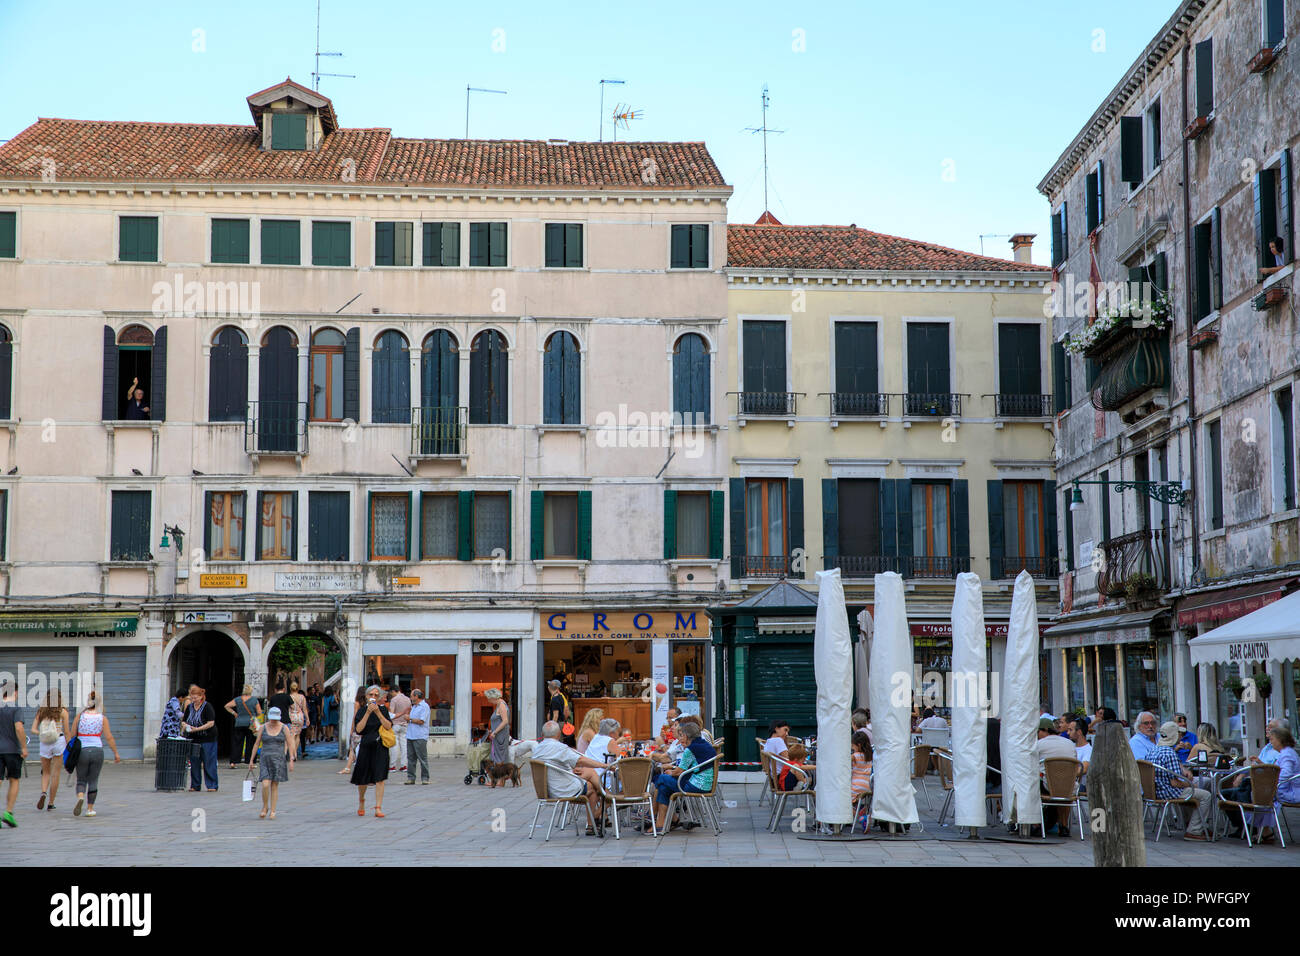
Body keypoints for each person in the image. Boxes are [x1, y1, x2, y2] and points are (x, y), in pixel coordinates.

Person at [531, 720, 611, 830]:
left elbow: (554, 765)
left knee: (591, 785)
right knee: (591, 778)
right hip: (563, 789)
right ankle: (608, 797)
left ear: (542, 735)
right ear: (559, 734)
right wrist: (603, 765)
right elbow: (581, 760)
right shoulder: (559, 747)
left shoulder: (537, 749)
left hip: (548, 790)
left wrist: (571, 770)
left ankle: (595, 818)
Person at [1149, 721, 1211, 841]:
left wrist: (1185, 773)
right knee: (1206, 795)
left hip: (1156, 791)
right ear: (1174, 736)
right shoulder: (1169, 753)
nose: (1181, 736)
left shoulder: (1154, 750)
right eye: (1179, 734)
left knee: (1195, 789)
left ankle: (1192, 823)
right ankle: (1194, 830)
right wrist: (1191, 783)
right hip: (1169, 791)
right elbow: (1175, 783)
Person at [652, 719, 716, 833]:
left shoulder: (690, 750)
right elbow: (689, 767)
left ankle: (652, 814)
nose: (680, 738)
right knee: (664, 787)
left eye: (681, 736)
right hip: (706, 784)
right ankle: (663, 822)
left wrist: (670, 771)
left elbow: (679, 771)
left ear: (686, 736)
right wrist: (672, 770)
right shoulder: (705, 745)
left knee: (659, 778)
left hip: (694, 785)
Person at [72, 690, 121, 817]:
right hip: (97, 750)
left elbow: (72, 735)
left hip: (82, 750)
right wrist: (115, 753)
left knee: (81, 779)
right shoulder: (102, 718)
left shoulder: (79, 716)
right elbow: (109, 737)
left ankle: (80, 796)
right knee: (93, 780)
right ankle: (90, 809)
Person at [351, 685, 393, 817]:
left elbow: (388, 726)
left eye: (376, 695)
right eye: (371, 695)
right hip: (366, 746)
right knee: (363, 778)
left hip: (380, 746)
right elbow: (359, 729)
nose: (373, 697)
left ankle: (378, 807)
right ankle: (362, 801)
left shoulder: (383, 710)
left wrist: (378, 713)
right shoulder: (362, 711)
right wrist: (368, 712)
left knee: (380, 777)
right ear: (366, 696)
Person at [249, 706, 292, 819]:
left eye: (275, 719)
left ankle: (273, 810)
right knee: (265, 784)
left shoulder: (284, 728)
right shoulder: (263, 727)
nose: (273, 721)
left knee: (274, 785)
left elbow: (290, 742)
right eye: (272, 718)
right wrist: (251, 760)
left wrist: (291, 759)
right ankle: (265, 806)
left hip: (278, 759)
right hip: (265, 758)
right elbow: (256, 743)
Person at [34, 689, 70, 811]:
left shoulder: (41, 711)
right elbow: (66, 732)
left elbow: (33, 729)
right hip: (58, 742)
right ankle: (51, 802)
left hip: (44, 742)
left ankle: (43, 792)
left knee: (46, 772)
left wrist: (44, 733)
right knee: (56, 774)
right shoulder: (63, 712)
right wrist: (70, 746)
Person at [182, 685, 218, 792]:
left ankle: (212, 785)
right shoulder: (190, 707)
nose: (194, 700)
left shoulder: (207, 706)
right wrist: (185, 726)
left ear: (201, 696)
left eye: (195, 698)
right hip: (193, 738)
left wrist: (197, 729)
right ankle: (195, 785)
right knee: (194, 762)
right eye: (192, 698)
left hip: (207, 738)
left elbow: (211, 723)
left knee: (208, 761)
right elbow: (184, 720)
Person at [0, 681, 24, 827]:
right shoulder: (16, 709)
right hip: (12, 750)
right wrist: (24, 748)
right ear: (15, 692)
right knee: (14, 780)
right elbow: (19, 729)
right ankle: (8, 812)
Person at [224, 685, 262, 769]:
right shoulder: (254, 700)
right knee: (251, 743)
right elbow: (259, 712)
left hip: (239, 723)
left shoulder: (238, 699)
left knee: (237, 743)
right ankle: (250, 762)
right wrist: (254, 715)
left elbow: (227, 706)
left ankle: (233, 762)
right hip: (251, 724)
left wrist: (235, 713)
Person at [405, 689, 430, 785]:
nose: (410, 698)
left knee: (422, 758)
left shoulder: (424, 707)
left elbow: (421, 721)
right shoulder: (414, 707)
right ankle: (411, 777)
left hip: (420, 736)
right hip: (411, 735)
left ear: (416, 696)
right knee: (411, 758)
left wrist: (409, 719)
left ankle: (425, 777)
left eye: (411, 696)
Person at [339, 687, 366, 775]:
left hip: (358, 727)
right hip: (366, 727)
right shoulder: (368, 704)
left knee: (352, 748)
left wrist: (351, 728)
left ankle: (348, 767)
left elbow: (355, 716)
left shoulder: (357, 703)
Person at [485, 687, 510, 774]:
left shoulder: (502, 705)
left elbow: (505, 721)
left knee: (500, 756)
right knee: (499, 756)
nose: (488, 701)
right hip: (498, 735)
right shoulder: (500, 704)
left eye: (489, 698)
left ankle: (500, 779)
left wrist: (495, 732)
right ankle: (500, 779)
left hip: (500, 735)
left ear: (493, 697)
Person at [387, 683, 410, 772]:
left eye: (391, 693)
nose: (390, 695)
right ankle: (404, 765)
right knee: (404, 746)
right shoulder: (408, 699)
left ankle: (392, 766)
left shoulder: (394, 700)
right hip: (405, 724)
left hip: (396, 724)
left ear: (393, 691)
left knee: (394, 746)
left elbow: (392, 714)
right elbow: (409, 712)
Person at [1068, 716, 1091, 792]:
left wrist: (1064, 774)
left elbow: (1083, 769)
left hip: (1080, 787)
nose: (1068, 733)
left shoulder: (1088, 750)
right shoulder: (1070, 747)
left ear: (1079, 732)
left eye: (1070, 730)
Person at [287, 680, 309, 761]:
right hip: (300, 717)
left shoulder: (289, 697)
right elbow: (304, 708)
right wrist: (307, 719)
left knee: (292, 735)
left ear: (290, 688)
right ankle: (295, 753)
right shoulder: (302, 697)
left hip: (291, 716)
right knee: (298, 736)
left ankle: (292, 754)